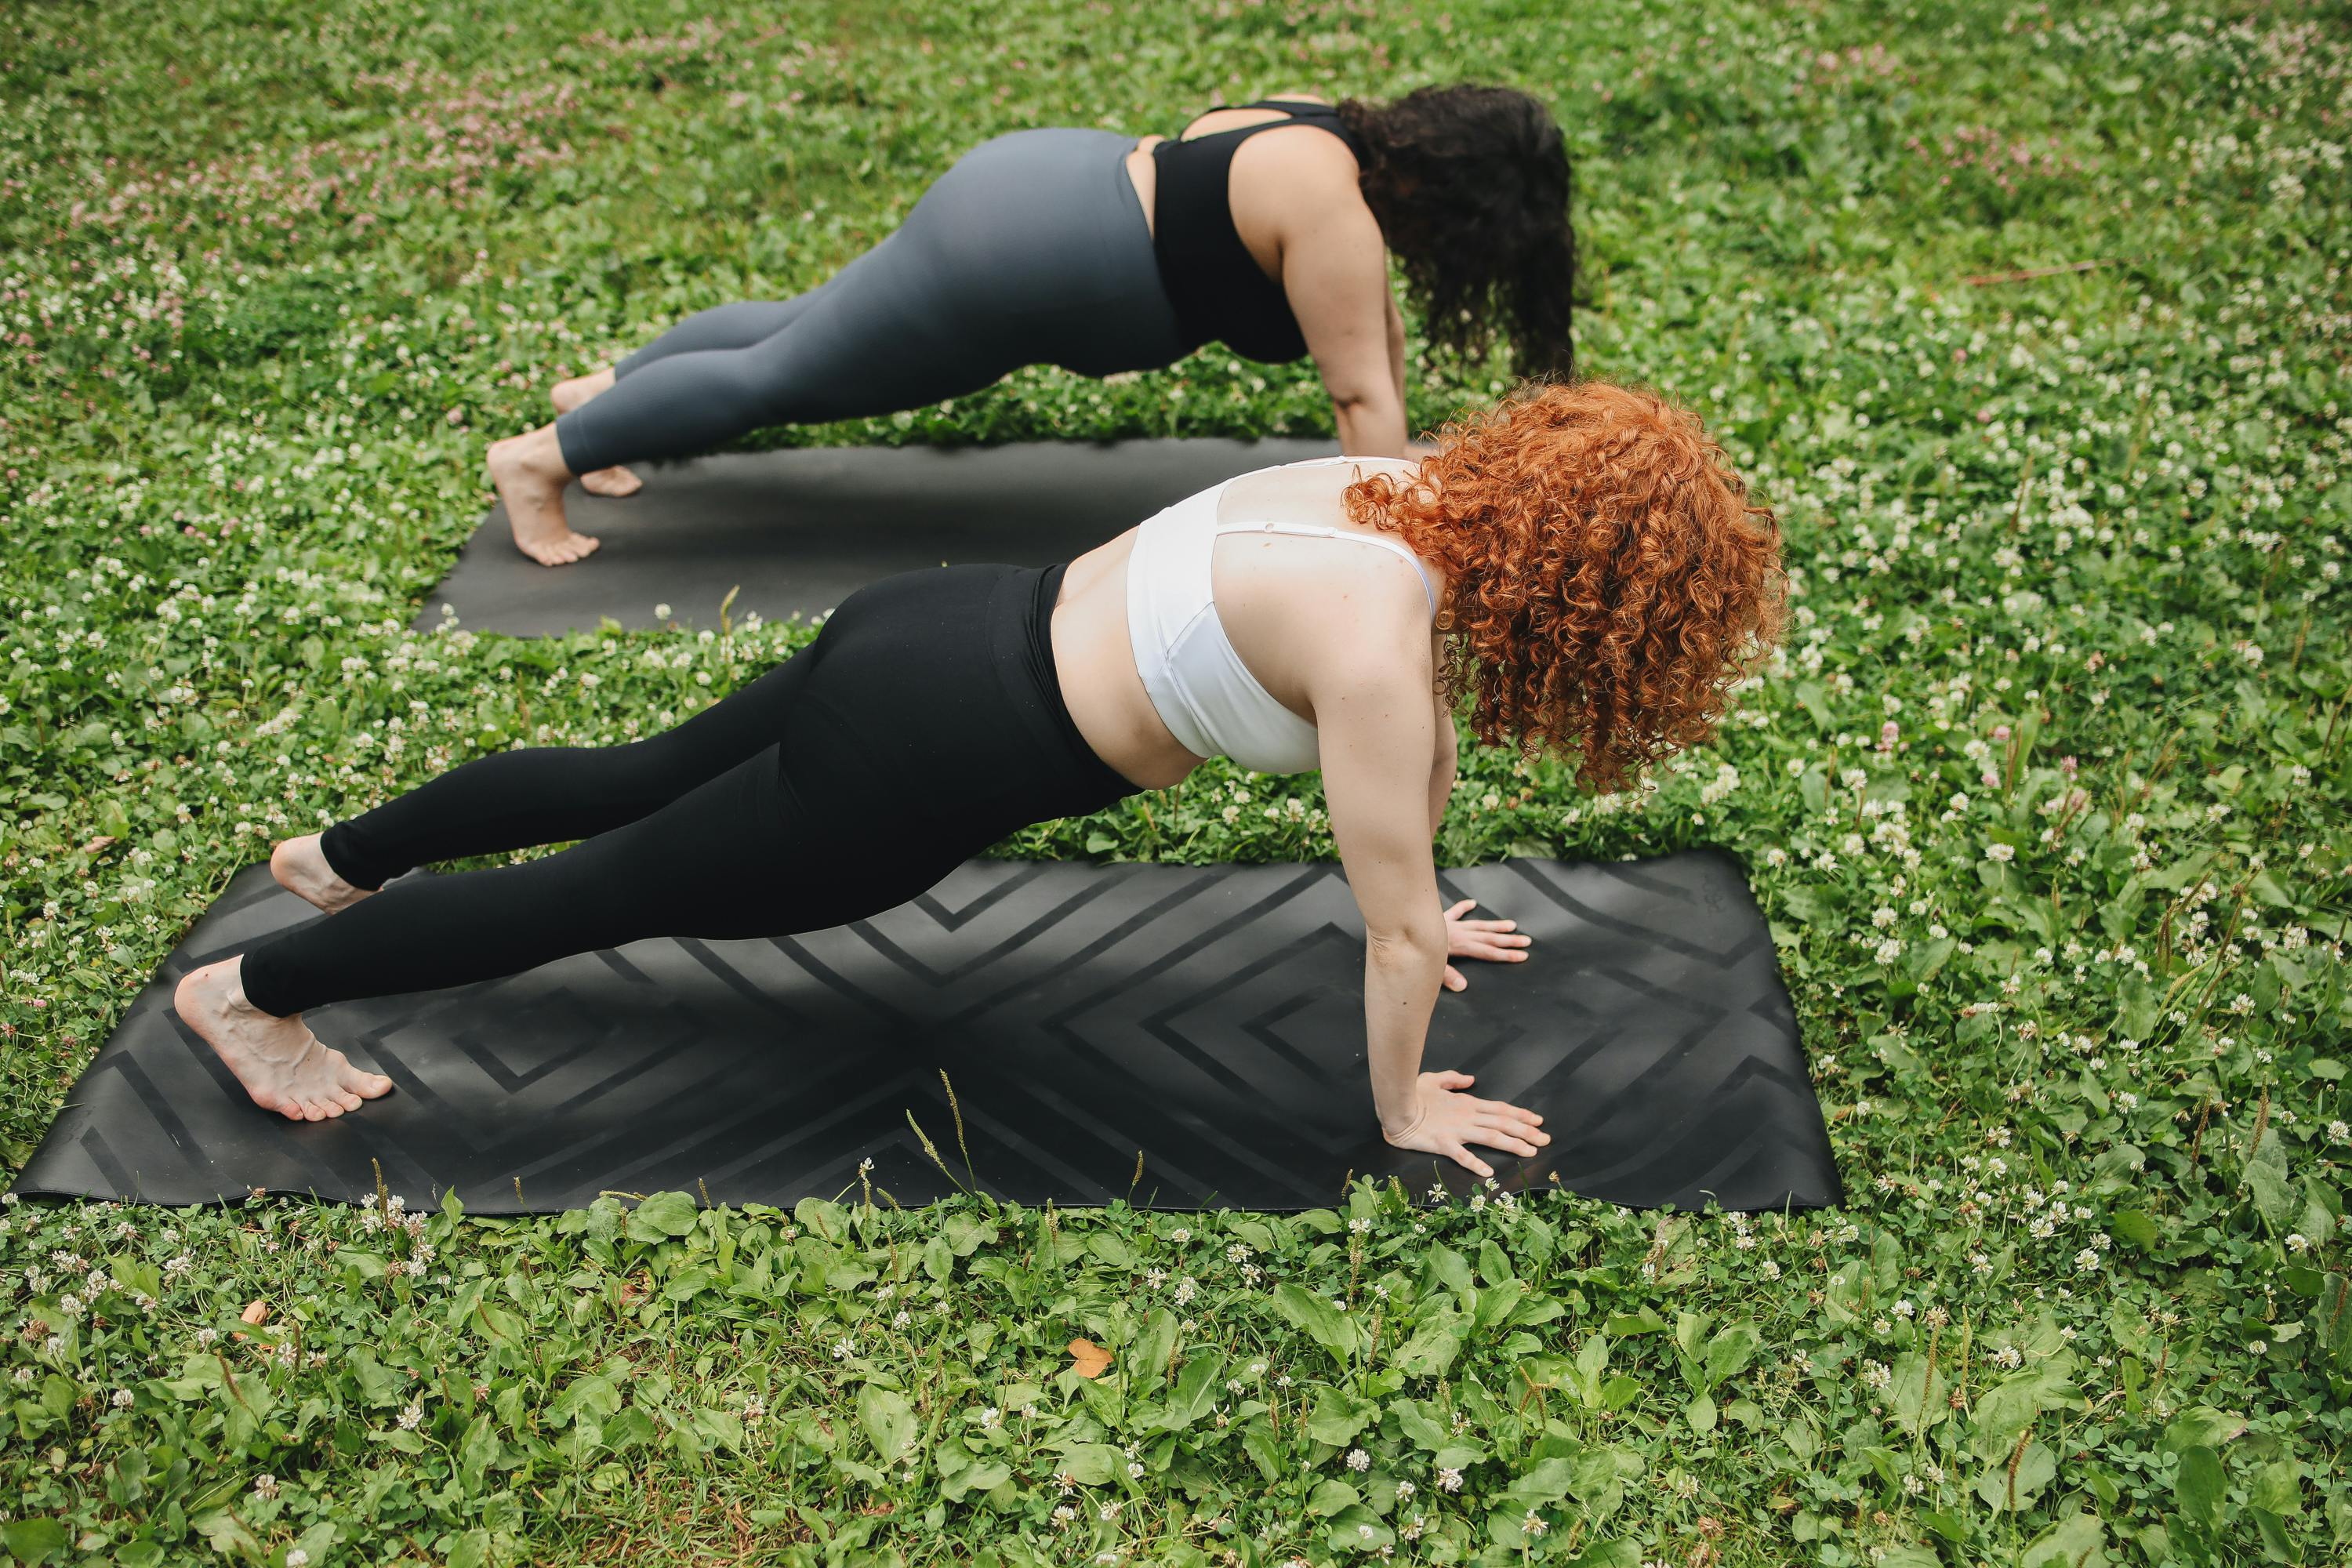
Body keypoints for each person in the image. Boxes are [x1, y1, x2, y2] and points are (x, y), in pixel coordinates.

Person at [179, 382, 1781, 1178]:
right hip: (929, 760)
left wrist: (1427, 895)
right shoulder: (1382, 646)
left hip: (942, 621)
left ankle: (340, 853)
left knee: (624, 777)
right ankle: (258, 985)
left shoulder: (1398, 490)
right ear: (1607, 610)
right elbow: (1383, 921)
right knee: (593, 898)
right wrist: (1398, 1094)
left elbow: (1412, 789)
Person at [486, 84, 1577, 564]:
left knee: (800, 324)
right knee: (793, 375)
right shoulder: (1337, 216)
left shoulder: (1324, 133)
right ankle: (544, 460)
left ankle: (605, 396)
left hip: (1046, 178)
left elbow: (1369, 337)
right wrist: (1392, 537)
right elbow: (1358, 393)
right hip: (1025, 263)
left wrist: (1412, 451)